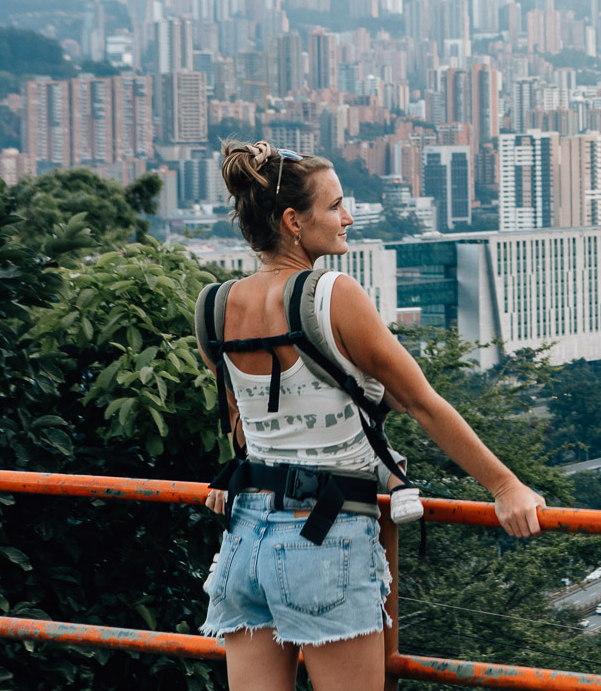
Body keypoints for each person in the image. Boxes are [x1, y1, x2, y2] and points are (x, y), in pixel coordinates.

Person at [196, 141, 544, 690]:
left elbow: (244, 422)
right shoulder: (332, 294)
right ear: (293, 221)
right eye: (335, 206)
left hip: (245, 538)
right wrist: (505, 486)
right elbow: (421, 401)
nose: (347, 217)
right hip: (324, 534)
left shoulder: (215, 305)